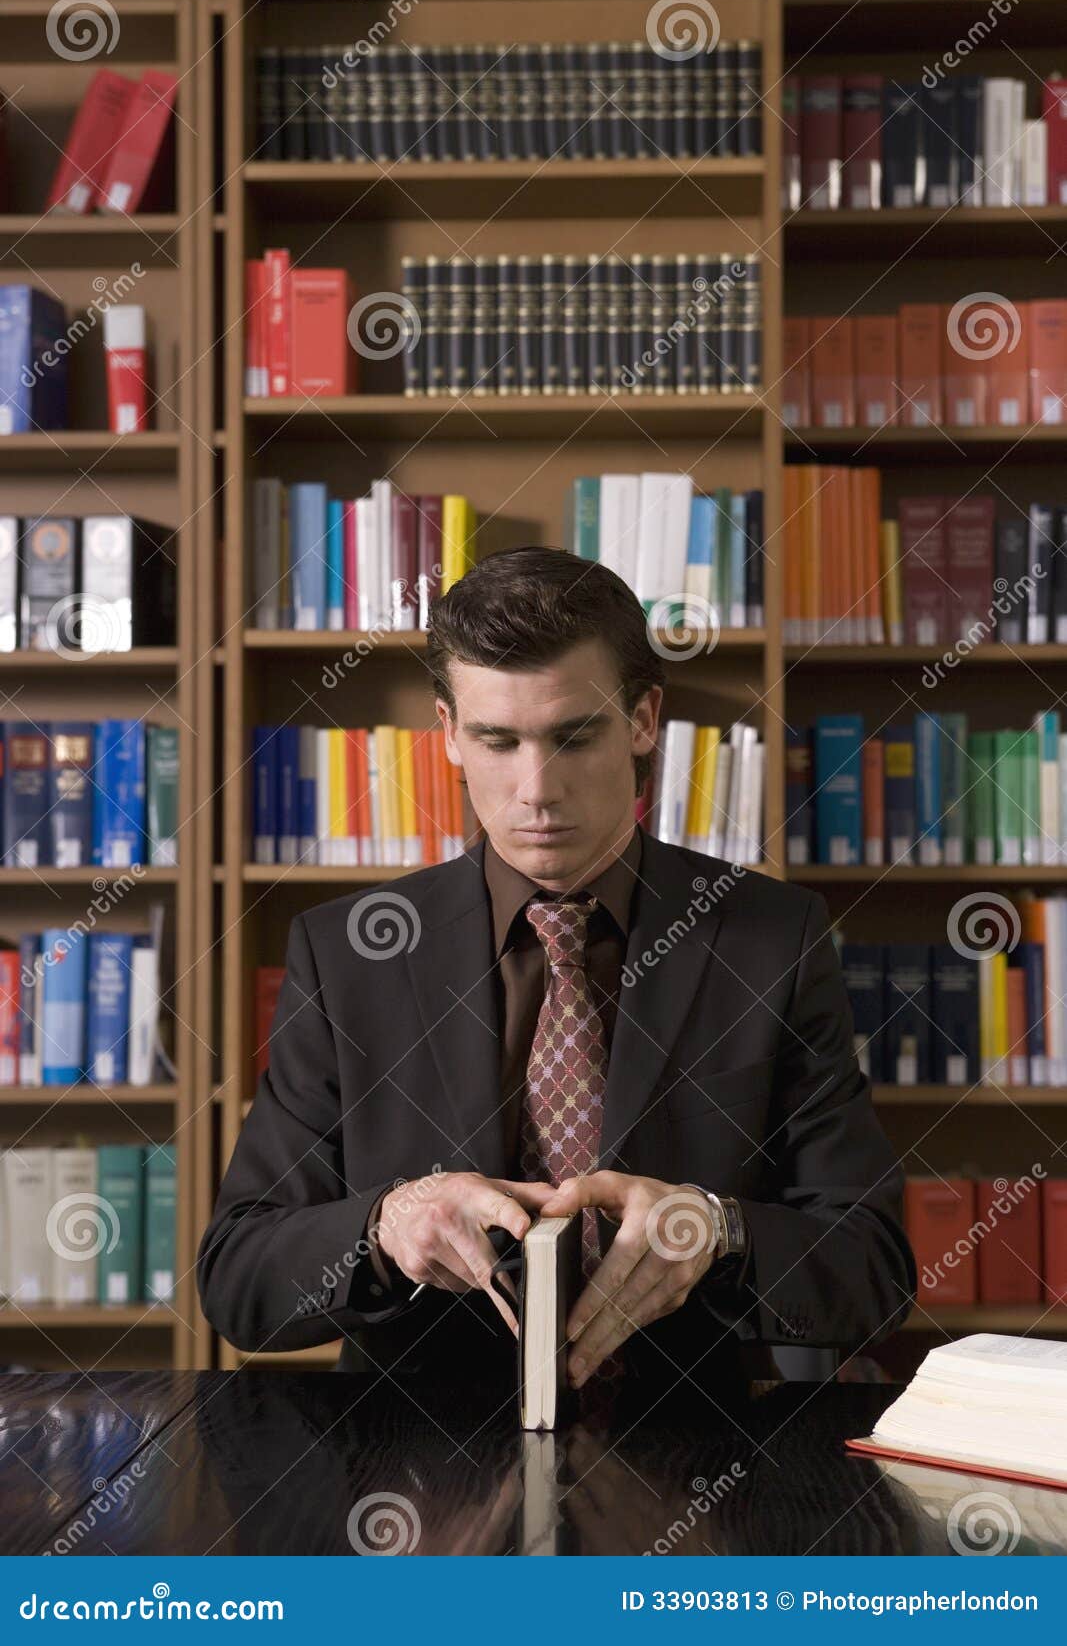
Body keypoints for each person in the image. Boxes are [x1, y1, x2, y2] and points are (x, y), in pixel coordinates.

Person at [197, 546, 915, 1398]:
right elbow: (238, 1280)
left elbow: (872, 1271)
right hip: (410, 1475)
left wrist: (718, 1231)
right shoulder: (348, 950)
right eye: (497, 741)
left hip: (696, 1462)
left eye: (573, 737)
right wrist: (385, 1227)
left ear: (644, 721)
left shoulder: (772, 939)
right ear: (449, 735)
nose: (536, 791)